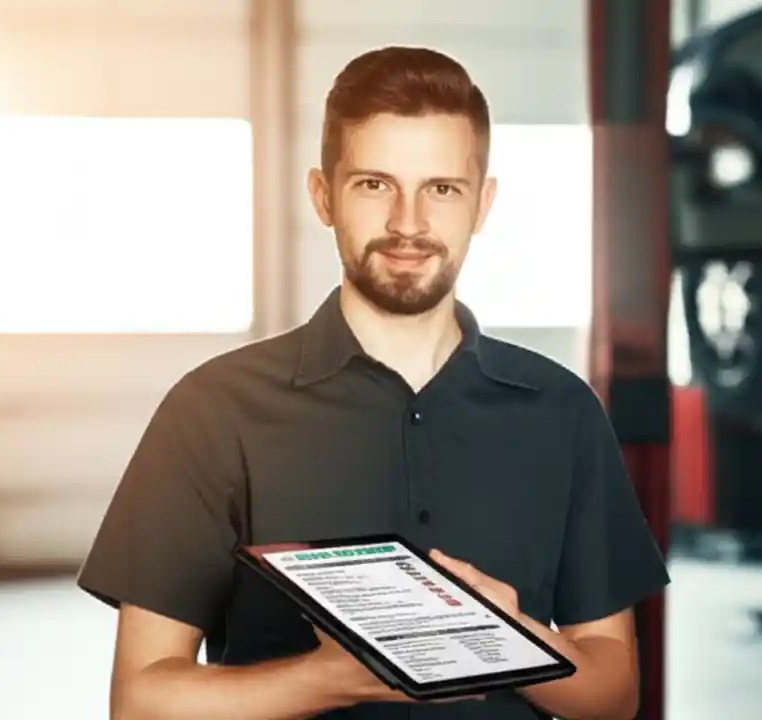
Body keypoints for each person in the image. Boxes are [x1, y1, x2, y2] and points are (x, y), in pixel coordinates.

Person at [76, 46, 669, 720]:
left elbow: (614, 693)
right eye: (373, 184)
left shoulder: (564, 413)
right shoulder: (213, 413)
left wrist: (509, 638)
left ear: (484, 203)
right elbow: (142, 700)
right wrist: (329, 678)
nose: (408, 224)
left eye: (442, 189)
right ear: (323, 195)